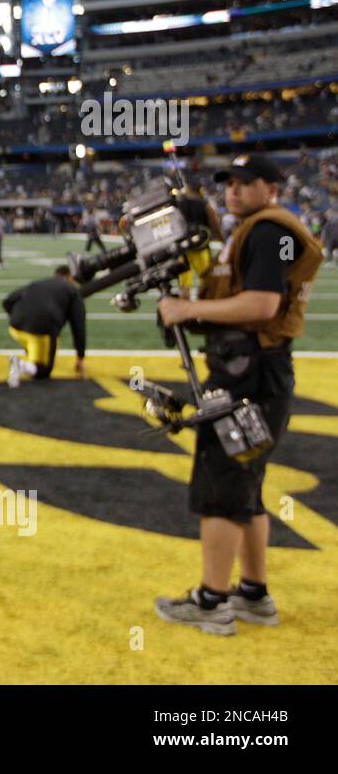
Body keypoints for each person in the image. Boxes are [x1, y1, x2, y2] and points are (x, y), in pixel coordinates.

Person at [154, 154, 321, 634]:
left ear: (272, 187)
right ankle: (252, 592)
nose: (233, 190)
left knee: (222, 488)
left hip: (248, 376)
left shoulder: (269, 232)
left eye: (246, 183)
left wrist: (185, 313)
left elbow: (264, 304)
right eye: (229, 182)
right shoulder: (267, 230)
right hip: (260, 373)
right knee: (247, 487)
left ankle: (212, 602)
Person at [2, 266, 87, 387]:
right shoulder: (72, 290)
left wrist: (18, 316)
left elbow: (7, 301)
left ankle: (27, 362)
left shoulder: (38, 283)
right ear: (70, 277)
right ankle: (21, 365)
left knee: (36, 349)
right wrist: (80, 357)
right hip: (40, 331)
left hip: (15, 329)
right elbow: (78, 325)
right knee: (44, 370)